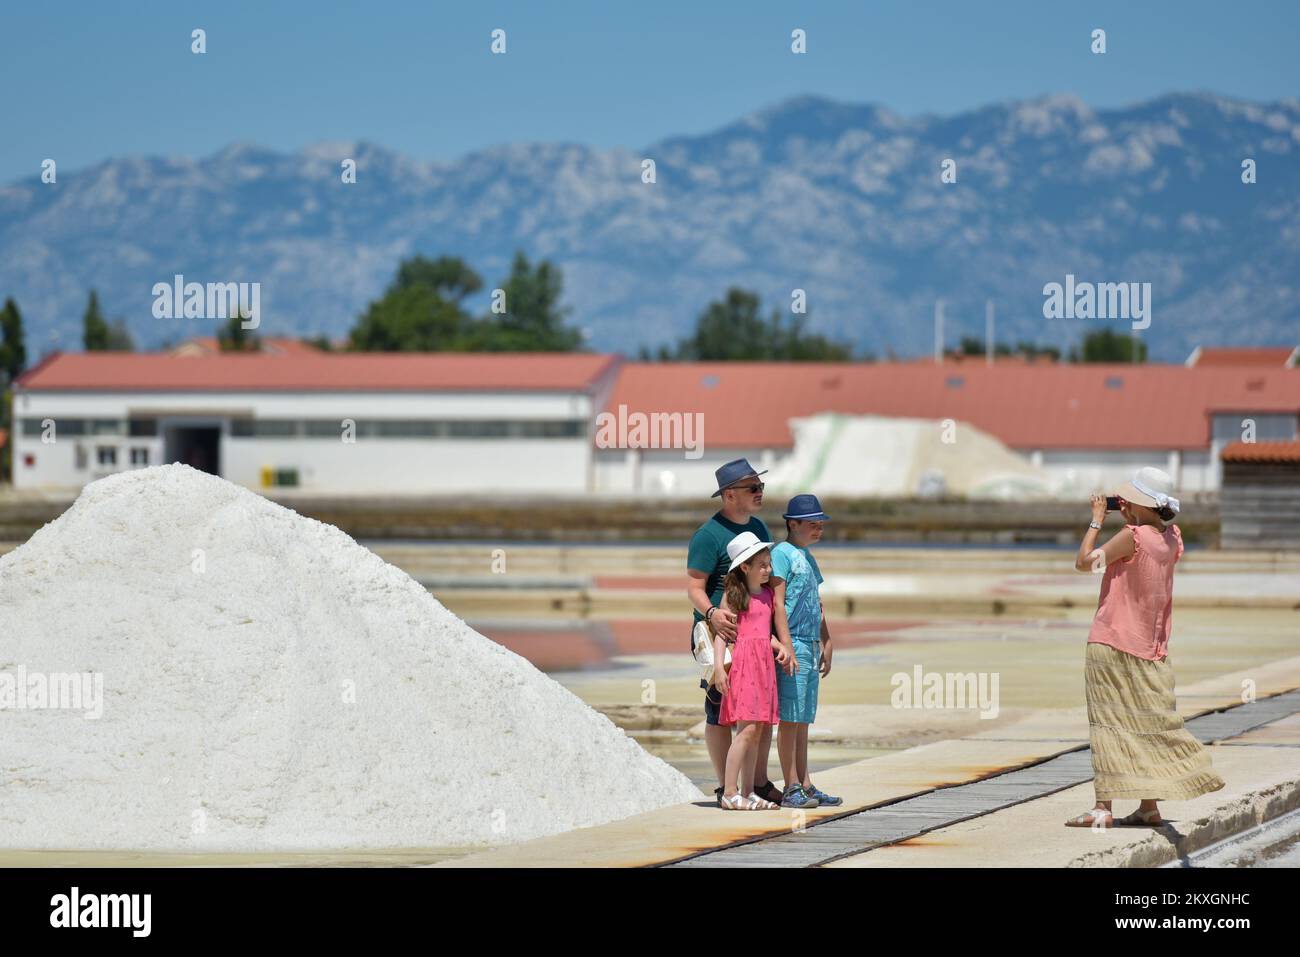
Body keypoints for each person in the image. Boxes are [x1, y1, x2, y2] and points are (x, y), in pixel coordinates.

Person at [1065, 467, 1226, 828]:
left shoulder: (1131, 536)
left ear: (1137, 505)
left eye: (1126, 501)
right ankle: (1148, 806)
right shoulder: (1173, 538)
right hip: (1152, 647)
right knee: (1147, 724)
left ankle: (1102, 808)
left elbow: (1083, 564)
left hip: (1111, 641)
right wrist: (1131, 514)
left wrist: (1095, 522)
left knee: (1108, 723)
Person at [686, 458, 783, 807]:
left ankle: (755, 784)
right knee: (719, 709)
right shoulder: (708, 535)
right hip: (720, 636)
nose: (760, 493)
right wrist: (713, 614)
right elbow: (694, 587)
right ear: (729, 495)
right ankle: (724, 787)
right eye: (752, 488)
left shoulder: (759, 528)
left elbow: (767, 579)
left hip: (757, 635)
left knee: (758, 712)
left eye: (761, 487)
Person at [771, 494, 841, 809]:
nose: (818, 528)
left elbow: (817, 604)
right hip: (795, 642)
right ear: (792, 523)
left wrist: (826, 640)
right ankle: (790, 785)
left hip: (810, 644)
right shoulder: (782, 554)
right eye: (811, 523)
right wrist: (786, 645)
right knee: (790, 718)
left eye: (820, 522)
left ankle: (806, 782)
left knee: (803, 720)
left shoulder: (807, 556)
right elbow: (778, 604)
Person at [713, 532, 789, 809]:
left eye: (769, 564)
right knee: (745, 730)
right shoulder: (734, 597)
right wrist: (720, 668)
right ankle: (729, 792)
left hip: (764, 667)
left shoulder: (768, 595)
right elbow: (722, 635)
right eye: (762, 565)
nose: (768, 569)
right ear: (745, 567)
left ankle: (748, 792)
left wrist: (778, 644)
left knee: (757, 730)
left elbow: (761, 632)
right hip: (745, 666)